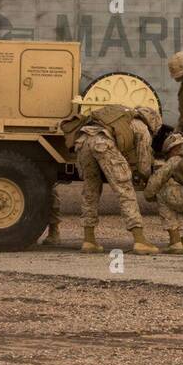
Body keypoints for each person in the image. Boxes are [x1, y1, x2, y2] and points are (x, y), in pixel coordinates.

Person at [69, 104, 162, 255]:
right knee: (125, 191)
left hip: (83, 141)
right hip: (104, 143)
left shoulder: (122, 115)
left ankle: (89, 240)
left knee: (90, 192)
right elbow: (143, 162)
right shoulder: (142, 127)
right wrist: (143, 176)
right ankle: (139, 240)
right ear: (153, 122)